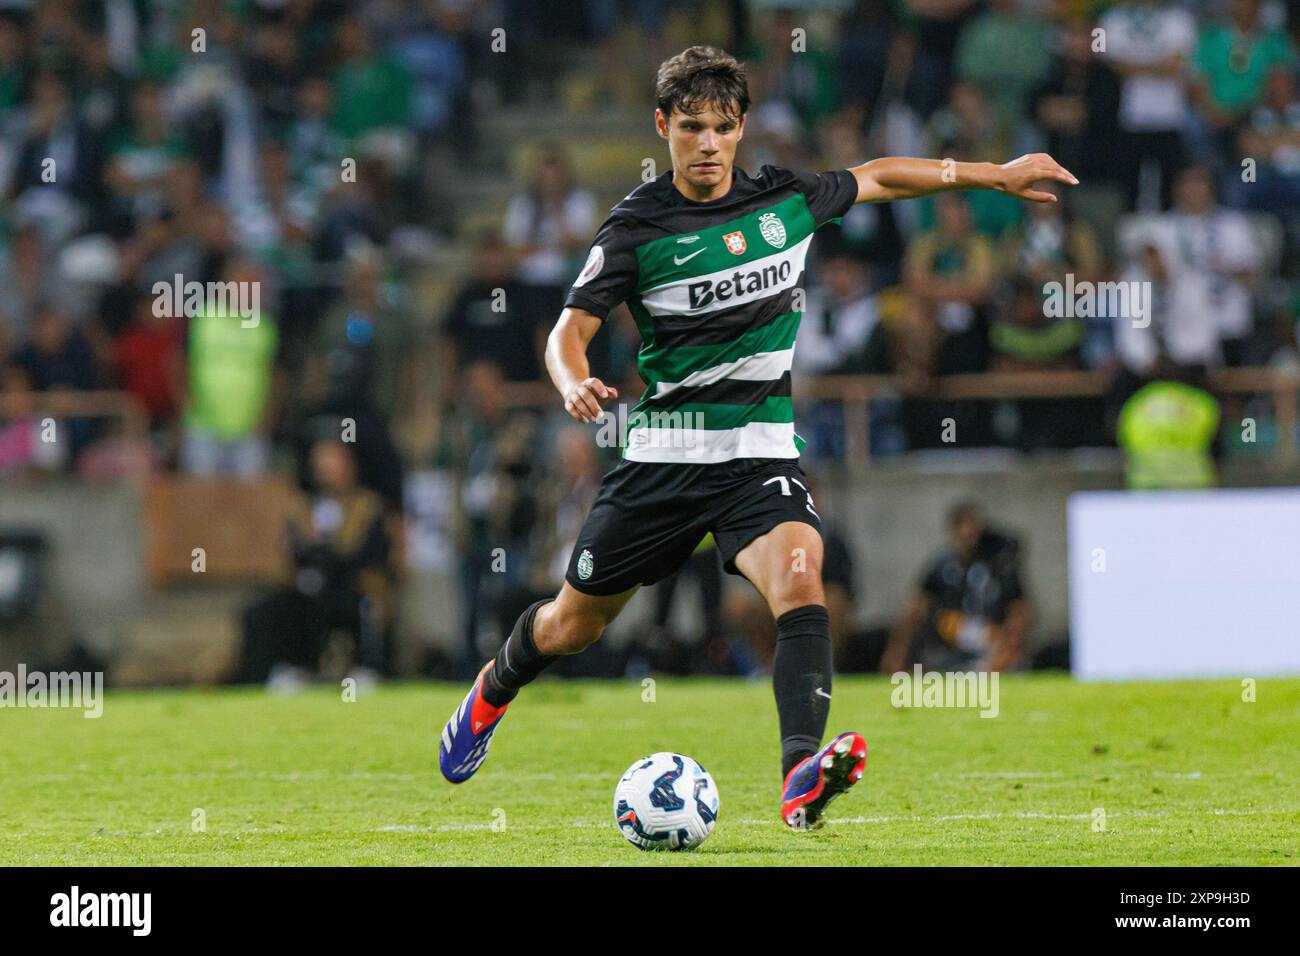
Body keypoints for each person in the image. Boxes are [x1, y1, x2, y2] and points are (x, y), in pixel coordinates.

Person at [437, 46, 1076, 831]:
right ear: (663, 125)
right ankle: (490, 691)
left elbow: (877, 176)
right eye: (692, 127)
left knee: (803, 583)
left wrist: (993, 172)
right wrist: (573, 382)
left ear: (741, 129)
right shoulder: (636, 227)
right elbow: (569, 332)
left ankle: (799, 777)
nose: (707, 144)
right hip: (663, 464)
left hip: (759, 457)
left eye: (723, 128)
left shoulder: (785, 201)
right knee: (573, 624)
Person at [882, 500, 1032, 674]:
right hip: (949, 638)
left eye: (973, 525)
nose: (968, 532)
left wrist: (1010, 642)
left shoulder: (1000, 565)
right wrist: (898, 648)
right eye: (962, 525)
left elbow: (1020, 609)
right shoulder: (942, 567)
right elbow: (915, 608)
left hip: (991, 639)